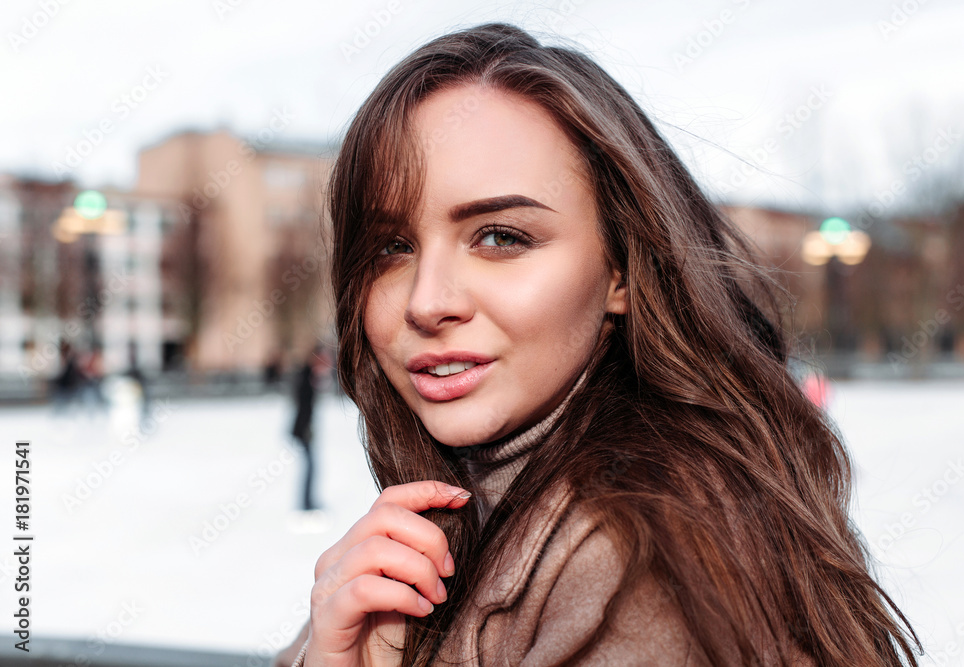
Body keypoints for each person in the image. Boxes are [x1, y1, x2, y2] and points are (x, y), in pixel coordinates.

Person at [274, 23, 921, 667]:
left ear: (620, 271)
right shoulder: (478, 519)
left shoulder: (645, 567)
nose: (427, 300)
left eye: (500, 237)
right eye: (393, 247)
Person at [290, 346, 327, 512]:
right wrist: (306, 429)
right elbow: (303, 406)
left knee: (311, 467)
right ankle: (306, 503)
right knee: (310, 467)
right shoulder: (306, 376)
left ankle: (308, 502)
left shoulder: (309, 375)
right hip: (302, 430)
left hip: (304, 429)